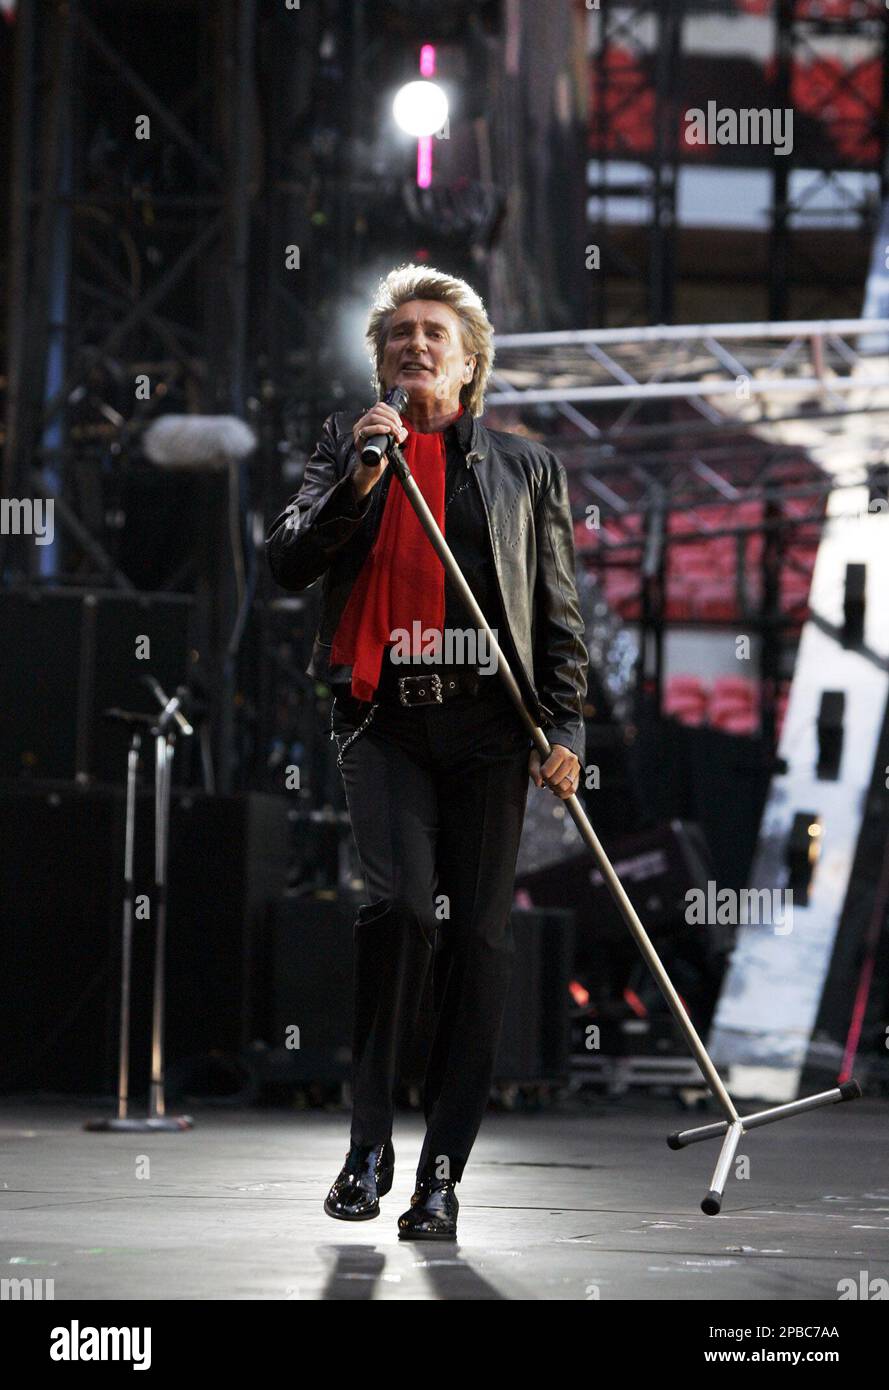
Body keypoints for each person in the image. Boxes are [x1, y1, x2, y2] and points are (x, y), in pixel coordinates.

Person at [266, 264, 588, 1240]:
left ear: (469, 359)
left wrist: (566, 728)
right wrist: (363, 474)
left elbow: (558, 613)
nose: (413, 345)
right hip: (384, 716)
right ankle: (368, 1143)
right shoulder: (347, 444)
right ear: (378, 357)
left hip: (493, 730)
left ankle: (442, 1173)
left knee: (479, 940)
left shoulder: (528, 468)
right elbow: (286, 559)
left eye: (431, 333)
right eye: (397, 333)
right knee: (400, 908)